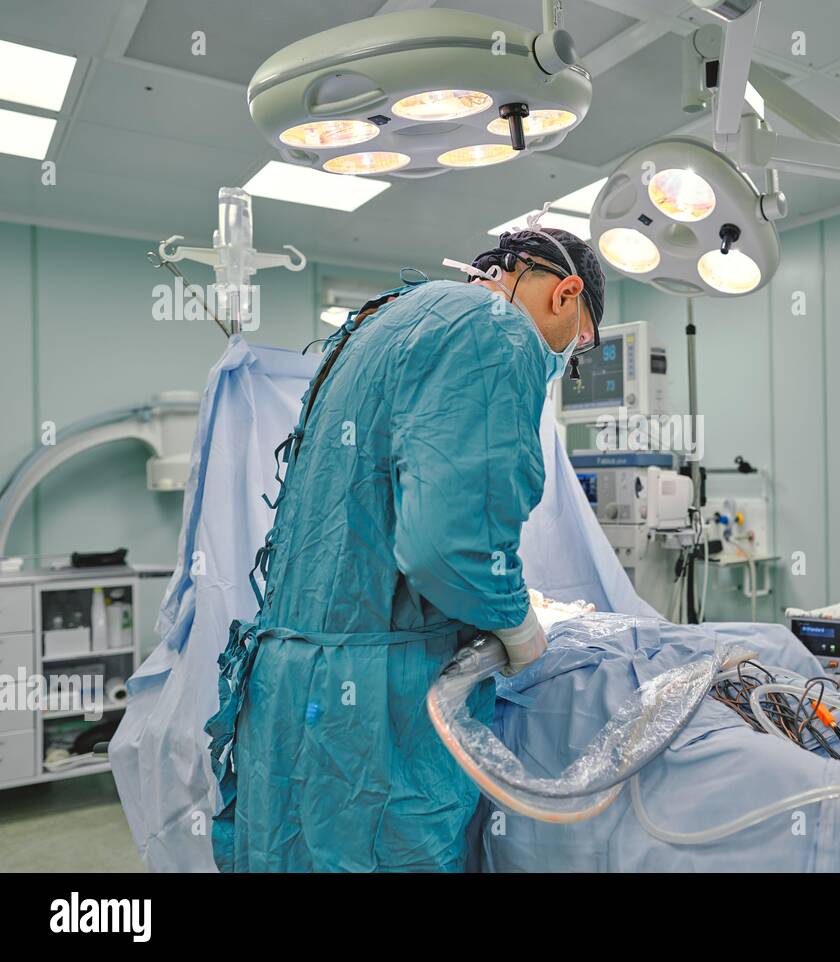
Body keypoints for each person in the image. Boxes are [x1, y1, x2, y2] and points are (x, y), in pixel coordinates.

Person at [204, 224, 605, 871]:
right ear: (566, 294)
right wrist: (517, 623)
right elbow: (448, 549)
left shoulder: (386, 322)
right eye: (577, 344)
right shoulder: (493, 332)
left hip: (292, 685)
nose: (564, 357)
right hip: (374, 715)